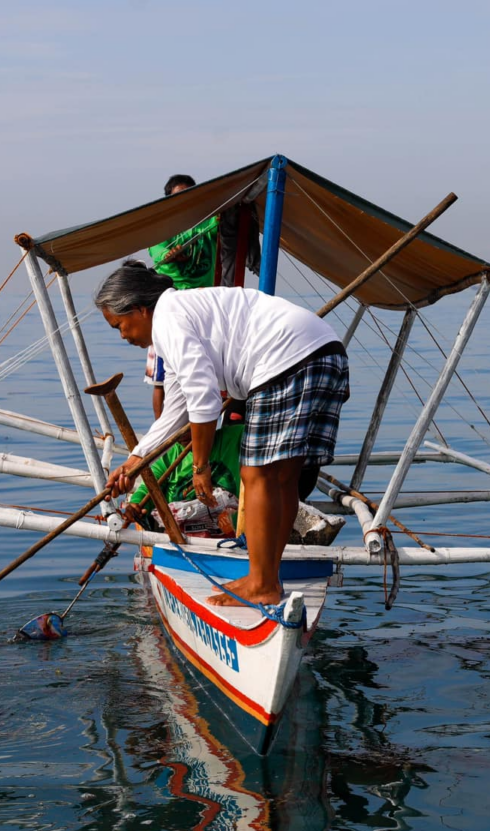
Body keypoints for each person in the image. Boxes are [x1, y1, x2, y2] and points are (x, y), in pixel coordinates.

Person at [97, 261, 348, 608]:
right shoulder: (180, 317)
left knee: (256, 475)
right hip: (326, 353)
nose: (123, 336)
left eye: (120, 326)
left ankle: (261, 584)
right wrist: (135, 461)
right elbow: (177, 409)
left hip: (285, 359)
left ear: (139, 309)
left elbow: (204, 400)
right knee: (283, 478)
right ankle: (267, 578)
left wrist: (201, 467)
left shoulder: (169, 319)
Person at [144, 174, 219, 419]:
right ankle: (165, 434)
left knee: (204, 374)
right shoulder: (161, 228)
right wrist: (174, 254)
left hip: (202, 310)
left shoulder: (207, 223)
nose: (185, 200)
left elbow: (225, 214)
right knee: (161, 379)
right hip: (169, 312)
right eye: (179, 196)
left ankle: (199, 430)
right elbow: (163, 254)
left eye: (190, 195)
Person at [123, 405, 245, 537]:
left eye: (190, 424)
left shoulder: (235, 437)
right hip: (181, 539)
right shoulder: (168, 454)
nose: (183, 434)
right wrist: (135, 504)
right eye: (177, 427)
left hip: (232, 538)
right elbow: (148, 487)